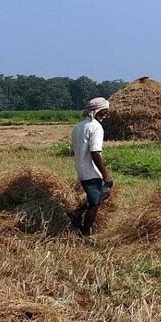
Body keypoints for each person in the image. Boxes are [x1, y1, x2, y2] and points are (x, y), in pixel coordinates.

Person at [69, 97, 113, 236]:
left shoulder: (78, 127)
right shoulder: (95, 127)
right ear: (97, 111)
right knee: (95, 204)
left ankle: (78, 212)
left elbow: (73, 150)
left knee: (104, 193)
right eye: (104, 112)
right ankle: (85, 232)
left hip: (81, 168)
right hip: (91, 170)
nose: (105, 115)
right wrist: (105, 174)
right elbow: (94, 152)